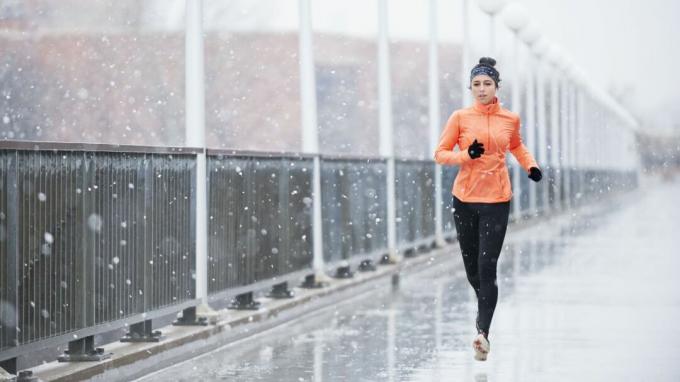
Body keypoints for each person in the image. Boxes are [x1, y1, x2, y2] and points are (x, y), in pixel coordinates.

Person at [434, 57, 542, 361]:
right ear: (471, 87)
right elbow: (440, 154)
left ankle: (483, 333)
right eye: (477, 84)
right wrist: (466, 155)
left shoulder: (510, 118)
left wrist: (530, 165)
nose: (482, 89)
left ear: (497, 87)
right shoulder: (460, 117)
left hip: (496, 200)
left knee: (486, 267)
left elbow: (517, 146)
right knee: (472, 270)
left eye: (487, 83)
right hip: (465, 200)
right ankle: (483, 308)